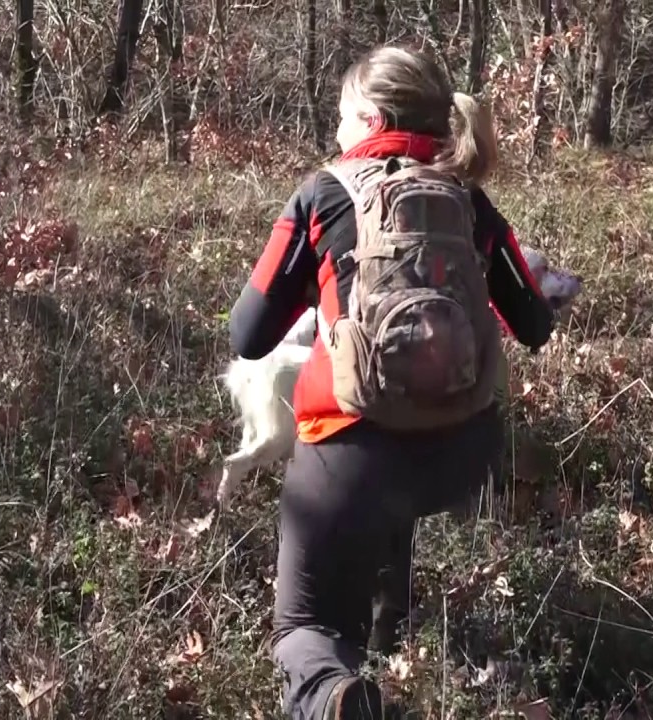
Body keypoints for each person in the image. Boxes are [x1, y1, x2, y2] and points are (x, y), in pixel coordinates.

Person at [228, 45, 556, 719]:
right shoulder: (470, 200)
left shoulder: (322, 191)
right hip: (465, 453)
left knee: (303, 629)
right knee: (396, 476)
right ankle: (387, 640)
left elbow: (248, 335)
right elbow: (535, 322)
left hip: (348, 454)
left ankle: (334, 691)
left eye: (343, 118)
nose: (338, 133)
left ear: (371, 118)